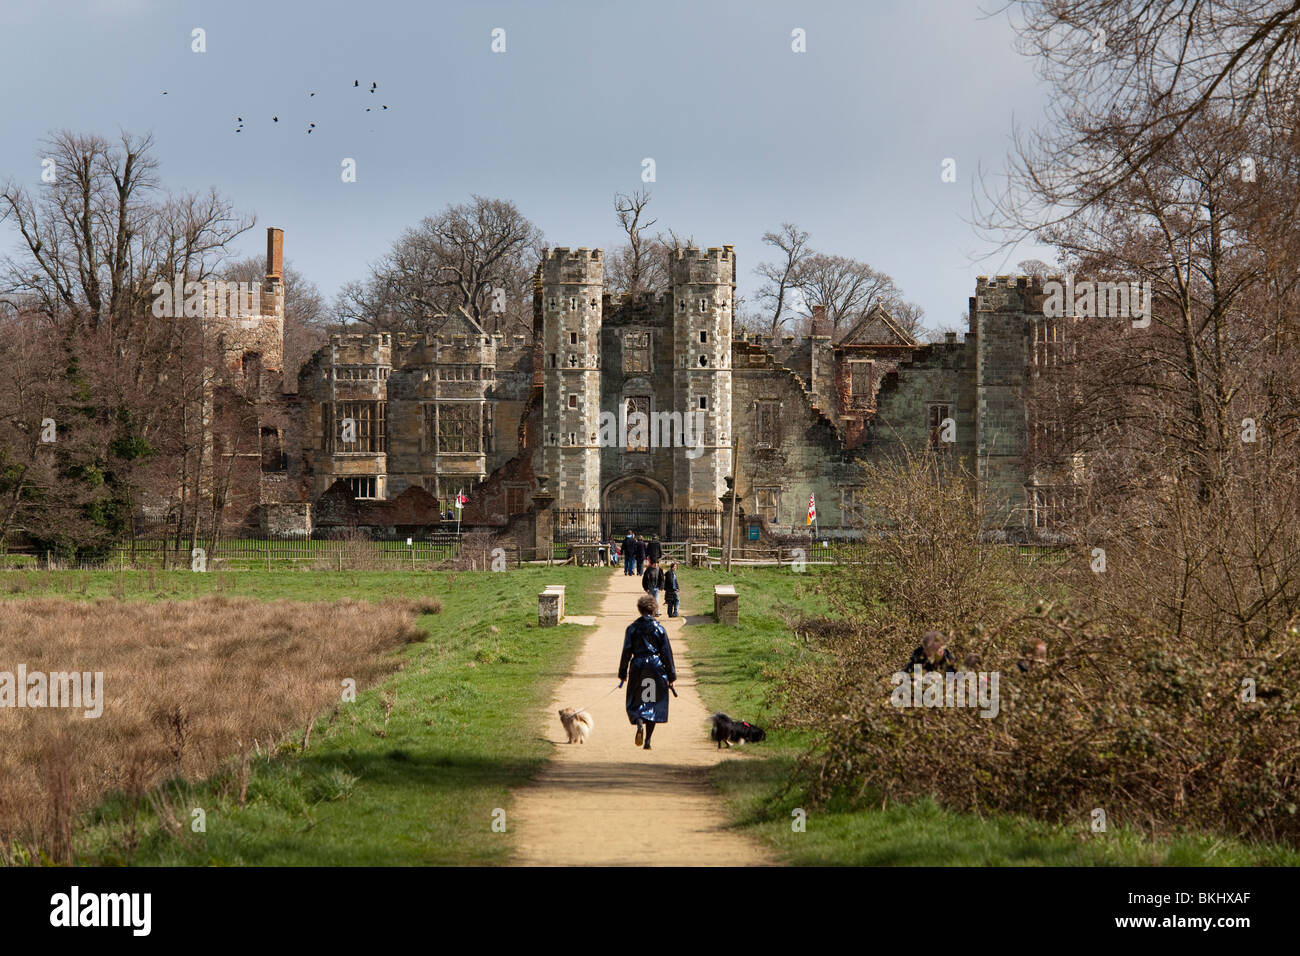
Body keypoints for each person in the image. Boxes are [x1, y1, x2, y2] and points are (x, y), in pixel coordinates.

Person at [618, 594, 676, 750]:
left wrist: (622, 673)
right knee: (654, 703)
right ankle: (648, 740)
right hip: (655, 667)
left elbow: (626, 651)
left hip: (637, 665)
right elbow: (666, 653)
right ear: (653, 609)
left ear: (640, 609)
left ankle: (639, 723)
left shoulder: (632, 628)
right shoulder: (659, 629)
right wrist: (671, 676)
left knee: (637, 699)